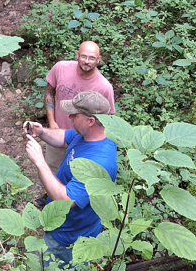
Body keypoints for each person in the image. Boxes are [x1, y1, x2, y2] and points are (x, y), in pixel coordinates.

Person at [25, 91, 117, 268]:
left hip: (68, 234)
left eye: (75, 115)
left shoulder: (98, 161)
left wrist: (39, 161)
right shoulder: (89, 134)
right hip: (64, 222)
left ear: (90, 121)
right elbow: (64, 138)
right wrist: (42, 131)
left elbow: (66, 200)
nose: (70, 117)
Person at [43, 41, 116, 173]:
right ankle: (49, 194)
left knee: (76, 174)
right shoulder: (60, 69)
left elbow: (108, 121)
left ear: (98, 60)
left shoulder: (104, 87)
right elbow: (49, 91)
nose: (87, 61)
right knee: (51, 169)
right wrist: (52, 122)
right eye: (84, 56)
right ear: (77, 55)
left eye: (92, 58)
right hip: (58, 132)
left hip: (84, 139)